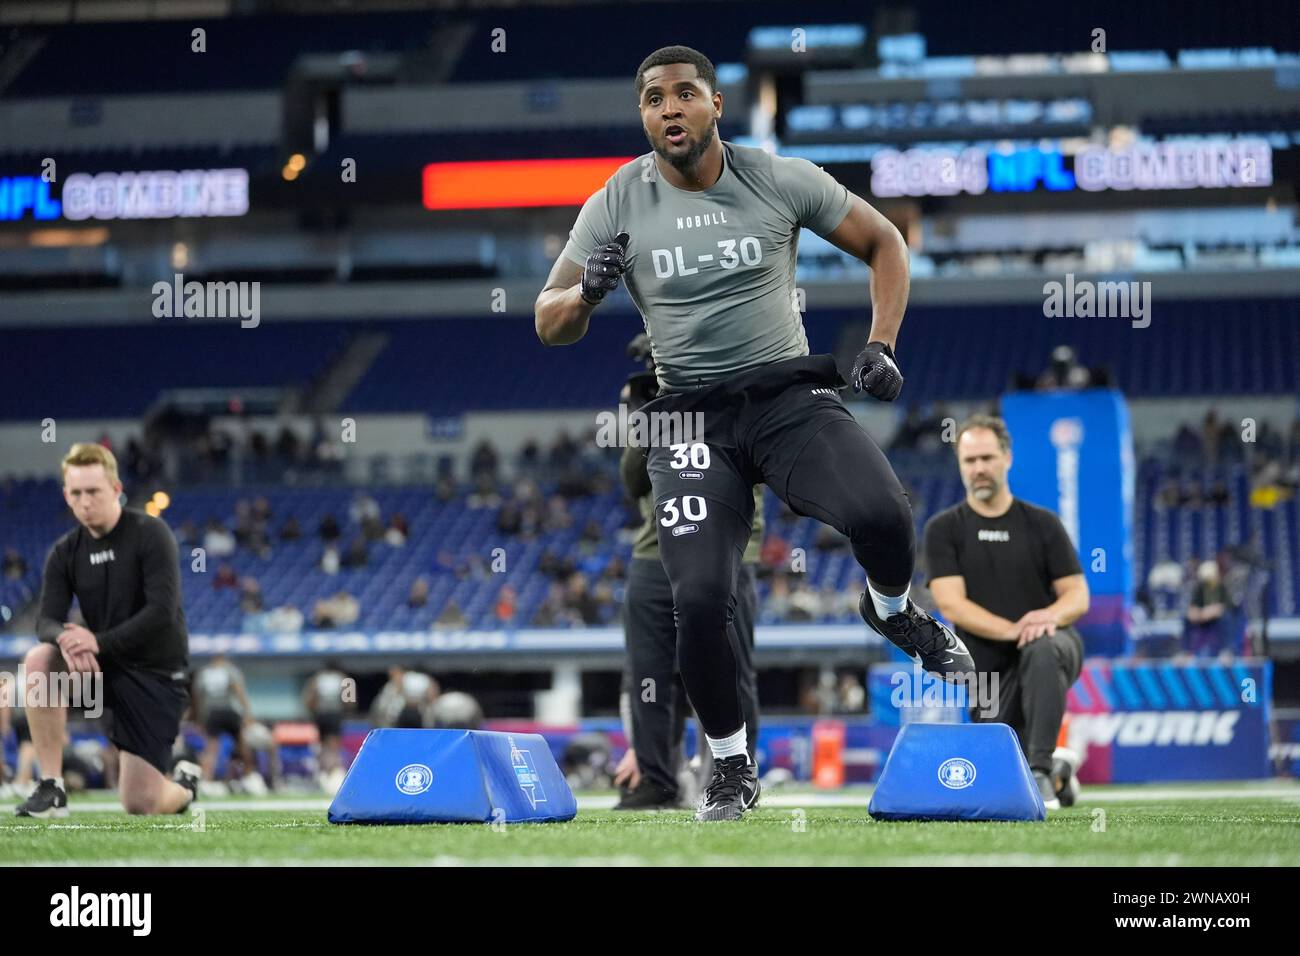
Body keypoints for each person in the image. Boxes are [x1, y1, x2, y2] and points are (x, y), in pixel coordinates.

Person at [534, 46, 972, 820]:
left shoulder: (777, 176)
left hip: (784, 396)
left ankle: (892, 607)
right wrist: (588, 293)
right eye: (652, 100)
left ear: (714, 107)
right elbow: (547, 321)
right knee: (699, 599)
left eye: (684, 94)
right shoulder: (616, 199)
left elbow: (886, 243)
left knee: (883, 514)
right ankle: (732, 769)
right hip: (690, 418)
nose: (668, 109)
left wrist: (882, 343)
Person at [614, 341, 761, 810]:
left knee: (731, 670)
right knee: (647, 675)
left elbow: (755, 461)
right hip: (653, 552)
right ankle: (656, 780)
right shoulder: (646, 399)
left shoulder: (740, 386)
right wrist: (651, 411)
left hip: (726, 548)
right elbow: (633, 481)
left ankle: (737, 778)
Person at [16, 443, 199, 817]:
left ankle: (183, 788)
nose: (85, 502)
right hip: (98, 669)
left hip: (155, 673)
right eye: (76, 493)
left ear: (116, 489)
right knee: (39, 660)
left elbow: (161, 613)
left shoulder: (152, 533)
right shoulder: (65, 552)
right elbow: (45, 620)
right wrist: (66, 638)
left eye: (94, 491)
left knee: (139, 803)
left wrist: (96, 642)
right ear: (66, 495)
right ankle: (51, 786)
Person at [923, 416, 1090, 810]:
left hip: (1053, 644)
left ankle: (1041, 772)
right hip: (987, 665)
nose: (978, 468)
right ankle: (1057, 767)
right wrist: (1020, 629)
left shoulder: (1043, 524)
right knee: (997, 770)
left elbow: (1077, 595)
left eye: (987, 457)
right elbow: (952, 604)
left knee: (1043, 648)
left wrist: (1046, 619)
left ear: (1007, 458)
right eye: (969, 460)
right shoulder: (943, 529)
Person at [193, 653, 258, 788]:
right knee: (241, 743)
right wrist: (247, 713)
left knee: (211, 748)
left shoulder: (203, 673)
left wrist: (199, 718)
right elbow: (239, 691)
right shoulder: (230, 670)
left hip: (212, 712)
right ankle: (249, 776)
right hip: (228, 709)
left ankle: (206, 780)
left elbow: (198, 698)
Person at [302, 661, 353, 788]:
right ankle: (334, 772)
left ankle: (324, 772)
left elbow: (308, 700)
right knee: (334, 744)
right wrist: (345, 711)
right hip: (335, 714)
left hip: (321, 714)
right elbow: (350, 701)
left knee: (323, 744)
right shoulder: (343, 678)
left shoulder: (317, 679)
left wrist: (314, 711)